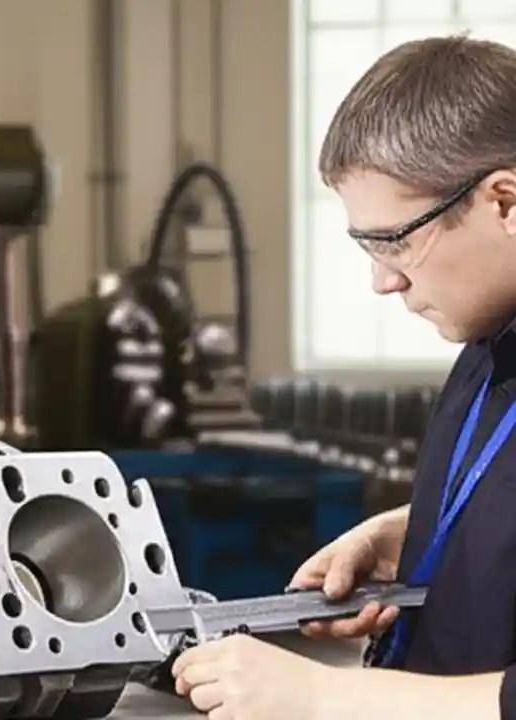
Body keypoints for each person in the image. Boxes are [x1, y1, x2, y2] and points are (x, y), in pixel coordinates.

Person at [170, 35, 516, 719]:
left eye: (397, 241)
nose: (383, 281)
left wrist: (324, 696)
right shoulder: (488, 342)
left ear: (504, 202)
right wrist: (411, 535)